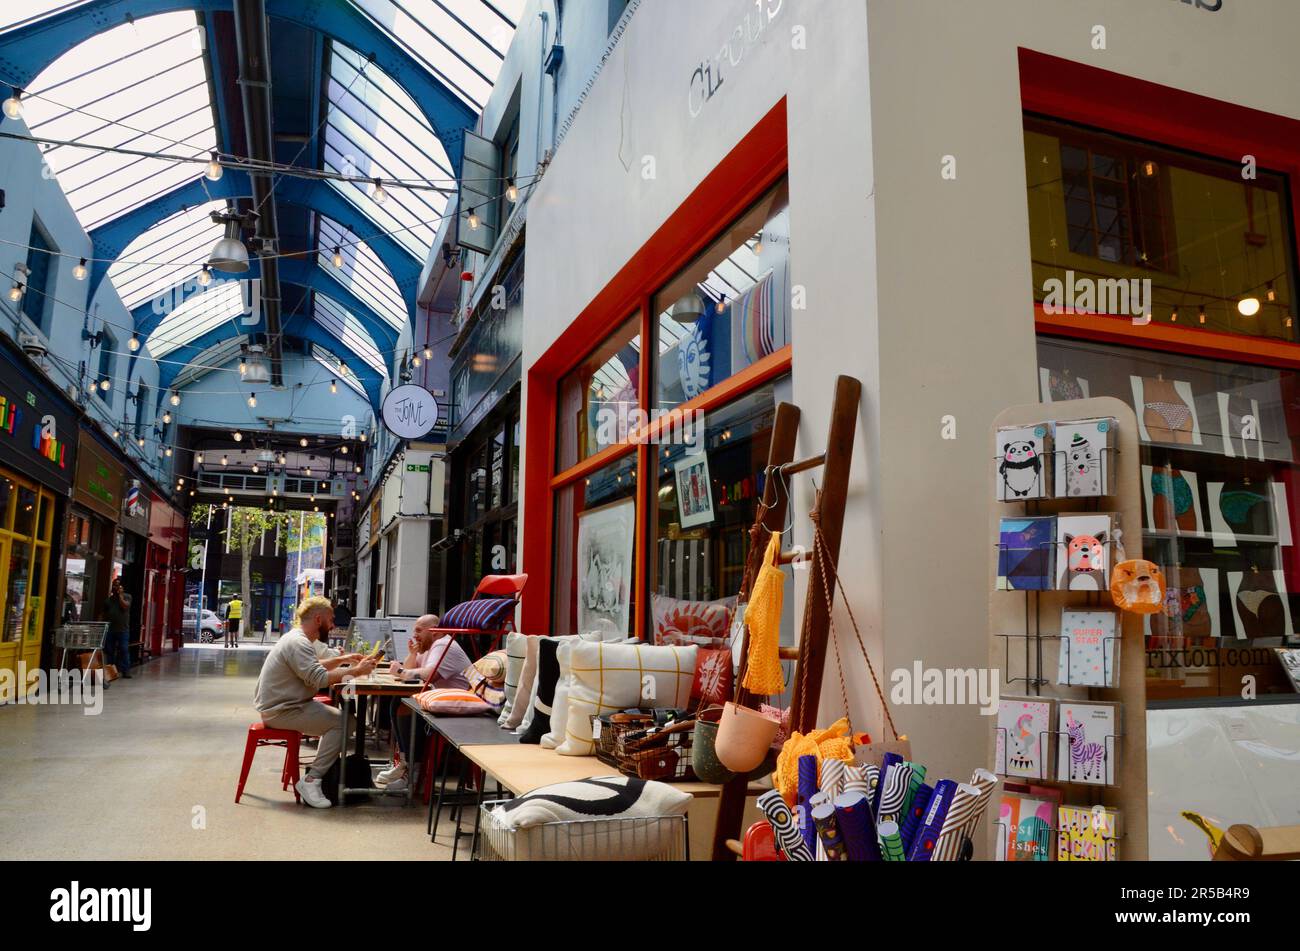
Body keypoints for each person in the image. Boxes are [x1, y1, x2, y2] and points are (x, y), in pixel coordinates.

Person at [254, 596, 378, 808]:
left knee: (344, 720)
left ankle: (320, 773)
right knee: (345, 723)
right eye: (331, 621)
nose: (332, 626)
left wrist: (341, 660)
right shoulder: (299, 642)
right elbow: (318, 678)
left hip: (286, 706)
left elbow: (314, 666)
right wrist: (356, 671)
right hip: (282, 711)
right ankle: (312, 780)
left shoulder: (296, 638)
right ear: (319, 620)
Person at [376, 614, 470, 792]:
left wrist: (401, 671)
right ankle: (406, 764)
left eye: (419, 630)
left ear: (434, 632)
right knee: (399, 702)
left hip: (459, 705)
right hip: (444, 701)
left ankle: (414, 771)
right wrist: (412, 655)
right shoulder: (429, 646)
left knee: (405, 706)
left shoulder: (442, 644)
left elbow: (429, 674)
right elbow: (411, 672)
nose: (415, 634)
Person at [103, 577, 133, 680]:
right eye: (114, 585)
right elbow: (103, 614)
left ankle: (126, 671)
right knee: (109, 650)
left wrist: (120, 595)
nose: (116, 587)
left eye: (118, 585)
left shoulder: (127, 597)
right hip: (110, 629)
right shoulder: (108, 601)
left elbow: (125, 606)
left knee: (124, 649)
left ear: (122, 588)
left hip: (123, 630)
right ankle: (112, 671)